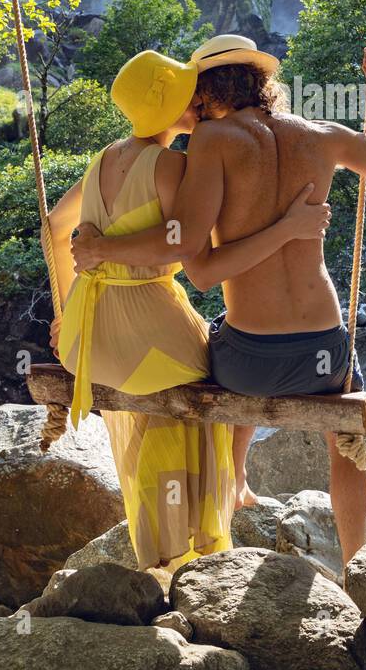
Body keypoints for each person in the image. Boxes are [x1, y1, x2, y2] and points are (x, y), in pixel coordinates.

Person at [72, 33, 366, 570]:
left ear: (204, 91)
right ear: (263, 82)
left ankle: (234, 481)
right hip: (321, 357)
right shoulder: (319, 134)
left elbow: (201, 271)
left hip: (247, 364)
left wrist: (101, 251)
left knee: (215, 340)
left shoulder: (211, 142)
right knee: (348, 440)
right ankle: (358, 563)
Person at [43, 47, 330, 573]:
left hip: (89, 340)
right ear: (170, 104)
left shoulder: (103, 158)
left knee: (166, 405)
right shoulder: (172, 163)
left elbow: (55, 228)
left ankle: (166, 538)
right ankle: (189, 545)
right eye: (188, 95)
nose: (199, 101)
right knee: (211, 383)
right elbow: (179, 244)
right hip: (144, 332)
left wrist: (68, 310)